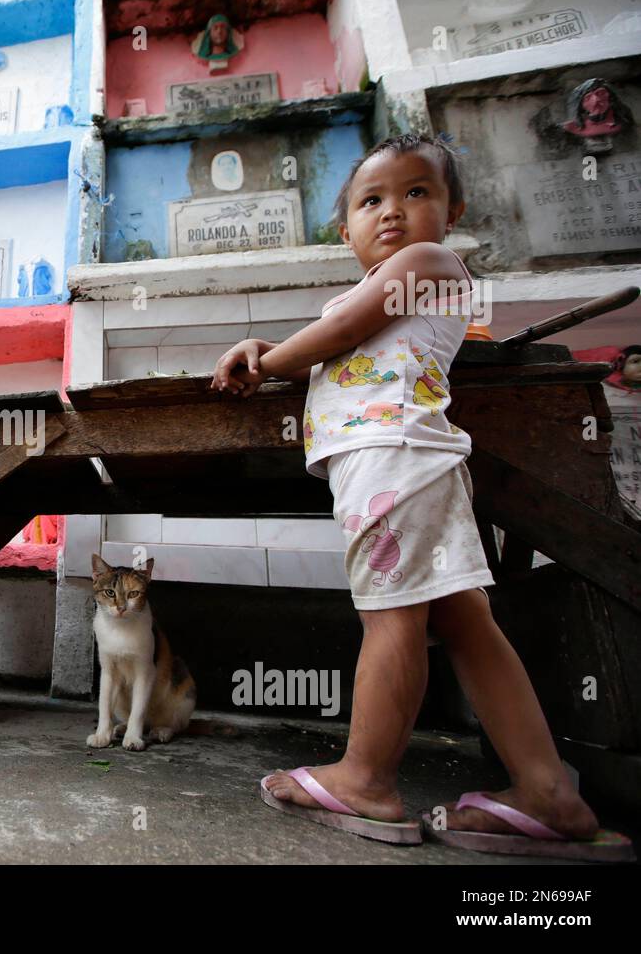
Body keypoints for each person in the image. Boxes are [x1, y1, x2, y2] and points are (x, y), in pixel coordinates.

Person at [211, 134, 624, 859]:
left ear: (452, 209)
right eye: (372, 201)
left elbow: (340, 329)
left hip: (393, 461)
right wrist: (270, 350)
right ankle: (549, 792)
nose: (393, 211)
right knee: (467, 624)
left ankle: (367, 779)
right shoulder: (387, 289)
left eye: (416, 192)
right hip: (411, 464)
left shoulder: (427, 264)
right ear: (346, 231)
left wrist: (264, 358)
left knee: (390, 618)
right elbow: (346, 334)